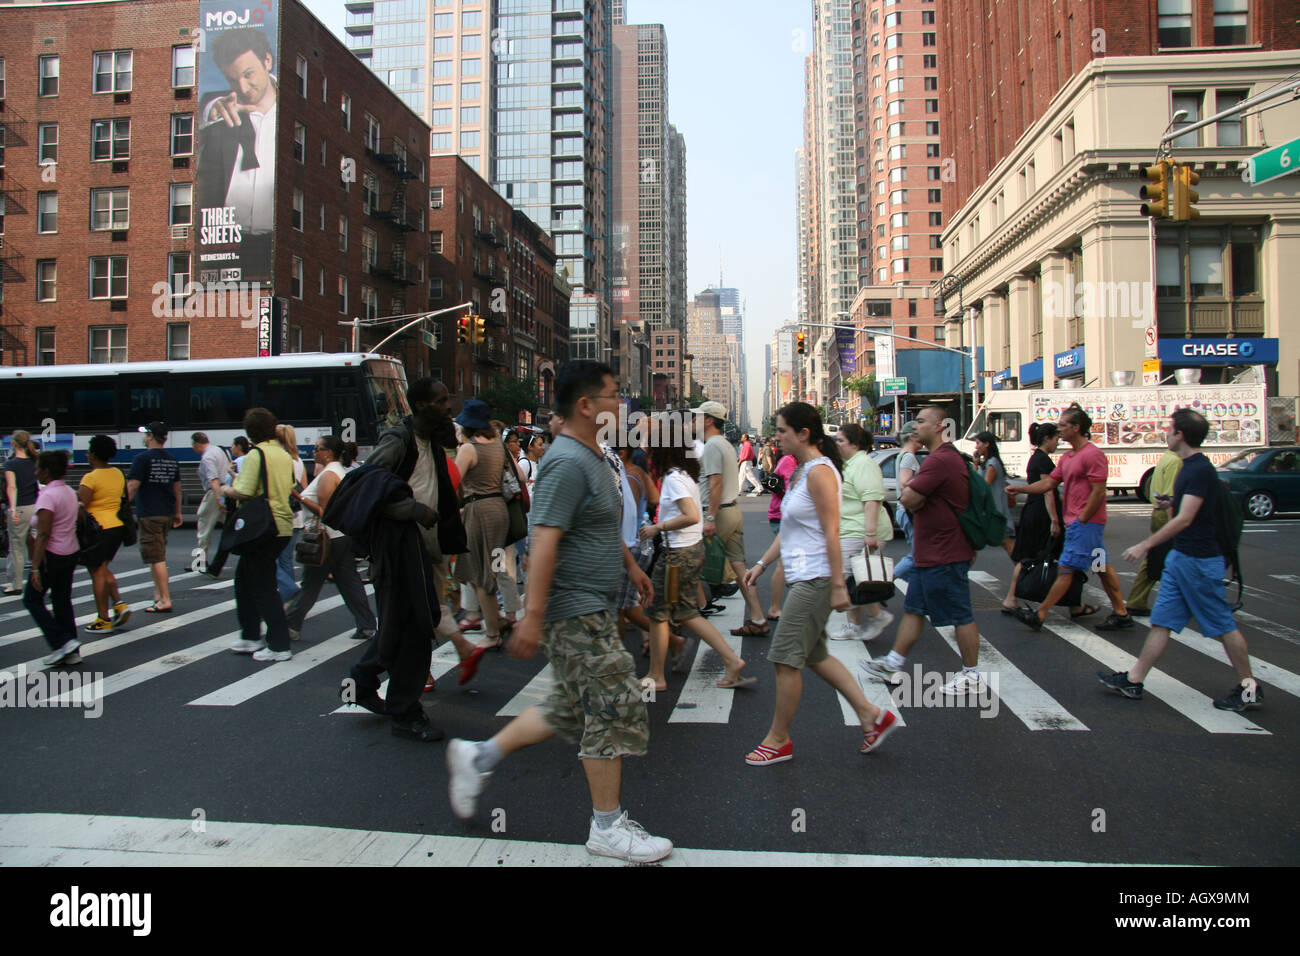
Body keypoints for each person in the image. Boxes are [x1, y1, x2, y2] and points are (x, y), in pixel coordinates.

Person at [444, 361, 669, 863]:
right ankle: (607, 827)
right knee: (609, 710)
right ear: (586, 406)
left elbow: (598, 525)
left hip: (595, 604)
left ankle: (476, 757)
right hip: (576, 610)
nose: (621, 402)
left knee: (569, 708)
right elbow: (545, 539)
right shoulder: (567, 461)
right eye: (613, 394)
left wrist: (630, 565)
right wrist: (532, 614)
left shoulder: (592, 456)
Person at [742, 403, 898, 764]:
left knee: (784, 657)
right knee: (815, 655)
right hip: (801, 575)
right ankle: (872, 715)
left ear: (803, 434)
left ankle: (778, 739)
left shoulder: (821, 473)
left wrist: (840, 586)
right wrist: (763, 564)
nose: (776, 437)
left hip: (817, 577)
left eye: (781, 431)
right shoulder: (802, 472)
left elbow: (832, 530)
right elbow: (793, 528)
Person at [1099, 409, 1263, 712]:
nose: (1166, 432)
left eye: (1170, 428)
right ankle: (1134, 681)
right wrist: (1172, 501)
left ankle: (1249, 687)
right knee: (1162, 622)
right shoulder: (1191, 468)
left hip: (1199, 561)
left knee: (1222, 625)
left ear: (1181, 435)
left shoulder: (1197, 469)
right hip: (1182, 559)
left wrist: (1145, 545)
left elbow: (1186, 519)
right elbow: (1193, 507)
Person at [343, 377, 477, 741]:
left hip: (420, 548)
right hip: (398, 548)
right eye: (440, 401)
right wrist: (413, 510)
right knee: (416, 628)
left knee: (402, 626)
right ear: (420, 405)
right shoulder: (397, 441)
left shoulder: (429, 440)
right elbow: (367, 484)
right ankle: (405, 712)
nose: (448, 407)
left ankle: (362, 683)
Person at [863, 404, 985, 695]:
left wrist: (911, 491)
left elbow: (910, 499)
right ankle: (893, 662)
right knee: (914, 609)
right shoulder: (934, 459)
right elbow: (911, 496)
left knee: (961, 614)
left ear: (940, 426)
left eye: (920, 421)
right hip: (928, 551)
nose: (914, 426)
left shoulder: (940, 461)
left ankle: (972, 675)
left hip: (946, 552)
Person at [1006, 404, 1132, 632]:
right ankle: (1121, 612)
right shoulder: (1068, 457)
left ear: (1077, 427)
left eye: (1064, 425)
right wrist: (1020, 490)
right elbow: (1049, 483)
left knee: (1066, 569)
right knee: (1101, 567)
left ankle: (1040, 613)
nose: (1059, 429)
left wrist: (1081, 519)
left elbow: (1098, 491)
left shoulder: (1093, 455)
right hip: (1080, 523)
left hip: (1085, 524)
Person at [641, 437, 753, 691]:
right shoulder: (684, 474)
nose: (648, 454)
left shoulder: (673, 477)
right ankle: (730, 659)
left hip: (678, 554)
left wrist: (658, 526)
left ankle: (657, 676)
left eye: (651, 449)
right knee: (685, 612)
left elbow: (690, 515)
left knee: (659, 612)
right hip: (690, 550)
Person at [221, 408, 295, 662]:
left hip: (262, 527)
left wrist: (223, 488)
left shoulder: (257, 454)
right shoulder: (283, 454)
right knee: (244, 579)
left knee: (262, 586)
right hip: (281, 525)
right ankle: (250, 635)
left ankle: (278, 644)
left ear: (249, 432)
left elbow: (243, 491)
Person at [197, 27, 278, 257]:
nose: (242, 88)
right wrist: (210, 111)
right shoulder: (220, 109)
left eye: (248, 74)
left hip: (277, 242)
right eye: (233, 79)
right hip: (225, 242)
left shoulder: (296, 109)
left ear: (267, 61)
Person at [285, 437, 376, 642]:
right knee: (349, 582)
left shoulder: (328, 475)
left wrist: (300, 498)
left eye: (318, 449)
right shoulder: (339, 472)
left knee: (311, 583)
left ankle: (291, 624)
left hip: (327, 537)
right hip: (340, 537)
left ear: (328, 453)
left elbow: (326, 512)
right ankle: (367, 625)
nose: (314, 452)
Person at [1001, 423, 1092, 615]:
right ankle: (1074, 605)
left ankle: (1013, 598)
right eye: (1056, 438)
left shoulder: (1036, 458)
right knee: (1043, 558)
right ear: (1047, 439)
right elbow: (1048, 490)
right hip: (1042, 515)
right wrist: (1055, 520)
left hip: (1033, 512)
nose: (1058, 442)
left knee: (1031, 557)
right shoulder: (1042, 460)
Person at [693, 402, 766, 636]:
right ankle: (757, 619)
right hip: (732, 510)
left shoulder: (713, 445)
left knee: (689, 565)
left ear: (709, 420)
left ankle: (675, 625)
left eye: (698, 417)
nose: (694, 421)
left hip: (719, 512)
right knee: (740, 568)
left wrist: (711, 517)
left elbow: (715, 482)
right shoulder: (724, 444)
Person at [454, 400, 523, 648]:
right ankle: (496, 622)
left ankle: (492, 633)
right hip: (499, 510)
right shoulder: (497, 445)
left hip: (479, 510)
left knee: (480, 573)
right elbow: (517, 474)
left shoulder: (468, 449)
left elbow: (454, 482)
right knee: (492, 568)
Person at [832, 424, 894, 641]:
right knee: (852, 580)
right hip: (850, 529)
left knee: (845, 579)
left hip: (859, 531)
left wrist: (869, 533)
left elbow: (871, 499)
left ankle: (876, 616)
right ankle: (855, 625)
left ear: (855, 444)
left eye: (841, 440)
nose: (837, 443)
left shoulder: (864, 464)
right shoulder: (851, 464)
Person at [23, 451, 82, 666]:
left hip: (52, 555)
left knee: (31, 599)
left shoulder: (48, 495)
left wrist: (36, 567)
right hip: (70, 551)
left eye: (38, 468)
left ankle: (61, 641)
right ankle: (72, 649)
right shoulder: (68, 491)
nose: (35, 471)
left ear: (47, 471)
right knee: (62, 599)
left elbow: (44, 534)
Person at [77, 435, 131, 632]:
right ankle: (119, 605)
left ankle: (103, 618)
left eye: (89, 451)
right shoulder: (118, 473)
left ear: (93, 455)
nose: (87, 454)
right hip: (116, 527)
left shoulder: (90, 478)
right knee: (103, 568)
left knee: (97, 572)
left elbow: (81, 505)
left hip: (97, 530)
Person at [126, 422, 181, 614]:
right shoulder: (172, 459)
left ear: (150, 436)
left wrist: (121, 506)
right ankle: (158, 594)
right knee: (157, 554)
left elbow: (132, 486)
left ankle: (165, 599)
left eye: (146, 434)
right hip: (166, 512)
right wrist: (177, 512)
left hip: (150, 512)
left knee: (155, 557)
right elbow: (177, 489)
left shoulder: (142, 459)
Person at [1125, 448, 1183, 617]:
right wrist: (1174, 523)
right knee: (1169, 557)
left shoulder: (1167, 458)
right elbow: (1169, 495)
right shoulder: (1175, 461)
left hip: (1158, 512)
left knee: (1157, 558)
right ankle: (1138, 601)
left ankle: (1138, 600)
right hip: (1166, 514)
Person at [4, 430, 40, 595]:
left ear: (14, 443)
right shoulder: (34, 461)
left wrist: (12, 509)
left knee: (17, 548)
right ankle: (40, 579)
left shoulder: (11, 464)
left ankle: (16, 584)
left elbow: (12, 487)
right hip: (34, 507)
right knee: (36, 544)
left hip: (19, 507)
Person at [764, 448, 798, 622]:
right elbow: (791, 490)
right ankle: (775, 607)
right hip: (781, 516)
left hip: (781, 515)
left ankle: (777, 606)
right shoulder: (790, 461)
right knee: (784, 564)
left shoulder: (790, 460)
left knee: (786, 562)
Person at [274, 423, 306, 603]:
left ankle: (289, 590)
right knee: (286, 558)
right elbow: (304, 487)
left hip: (283, 514)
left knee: (275, 557)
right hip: (297, 514)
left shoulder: (280, 460)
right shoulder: (298, 460)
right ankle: (289, 594)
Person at [974, 431, 1016, 558]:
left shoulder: (992, 463)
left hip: (995, 512)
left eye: (978, 443)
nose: (976, 447)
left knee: (1006, 543)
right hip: (990, 512)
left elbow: (984, 486)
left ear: (986, 444)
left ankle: (1022, 571)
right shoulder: (986, 463)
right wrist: (976, 463)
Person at [891, 423, 923, 581]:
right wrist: (924, 481)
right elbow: (904, 482)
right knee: (918, 553)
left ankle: (916, 587)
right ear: (911, 437)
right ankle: (889, 579)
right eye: (919, 435)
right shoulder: (909, 456)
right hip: (908, 511)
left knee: (918, 553)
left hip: (903, 510)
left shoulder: (902, 455)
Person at [192, 432, 231, 564]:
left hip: (214, 493)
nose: (192, 448)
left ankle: (200, 561)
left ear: (197, 444)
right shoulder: (218, 450)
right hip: (225, 488)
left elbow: (213, 479)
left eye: (193, 445)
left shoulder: (207, 457)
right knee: (230, 524)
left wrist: (219, 499)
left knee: (204, 526)